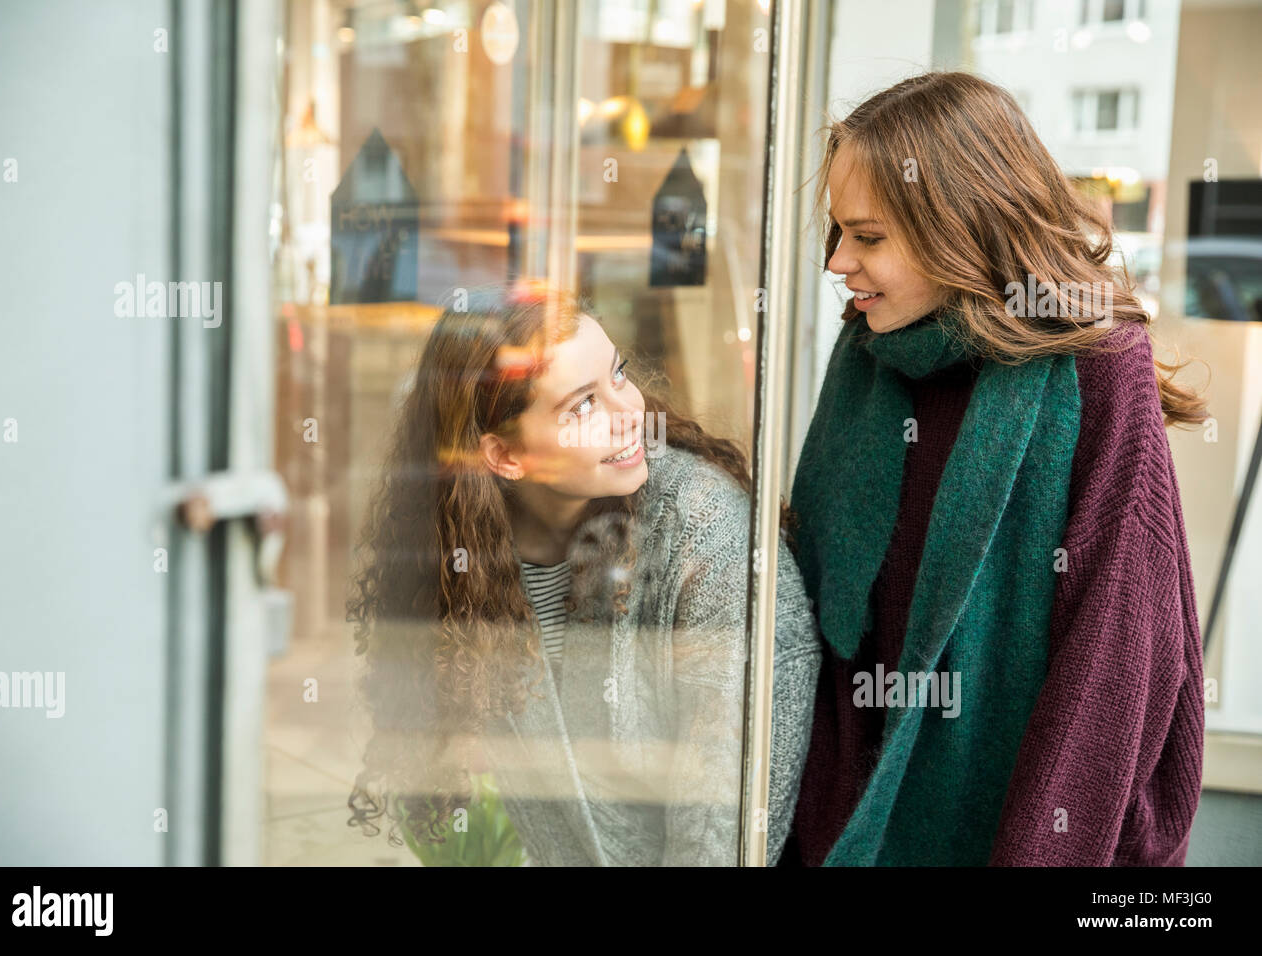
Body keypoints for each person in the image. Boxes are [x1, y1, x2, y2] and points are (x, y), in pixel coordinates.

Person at [782, 71, 1207, 866]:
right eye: (837, 232)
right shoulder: (868, 350)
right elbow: (815, 603)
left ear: (959, 224)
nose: (838, 261)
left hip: (1025, 824)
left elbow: (1117, 652)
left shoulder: (1095, 365)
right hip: (852, 818)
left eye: (868, 237)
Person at [347, 291, 822, 866]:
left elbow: (720, 833)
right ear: (503, 456)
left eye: (618, 374)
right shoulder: (467, 565)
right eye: (581, 406)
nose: (630, 412)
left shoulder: (707, 534)